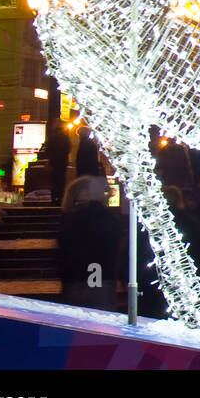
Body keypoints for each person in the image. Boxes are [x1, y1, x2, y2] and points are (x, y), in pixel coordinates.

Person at [56, 175, 120, 310]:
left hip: (75, 279)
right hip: (99, 276)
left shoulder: (68, 219)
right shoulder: (102, 216)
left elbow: (63, 252)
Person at [46, 121, 72, 208]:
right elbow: (68, 149)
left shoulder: (52, 137)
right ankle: (61, 199)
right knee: (61, 181)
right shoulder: (65, 137)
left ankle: (54, 199)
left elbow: (48, 149)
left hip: (54, 161)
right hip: (63, 161)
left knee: (54, 181)